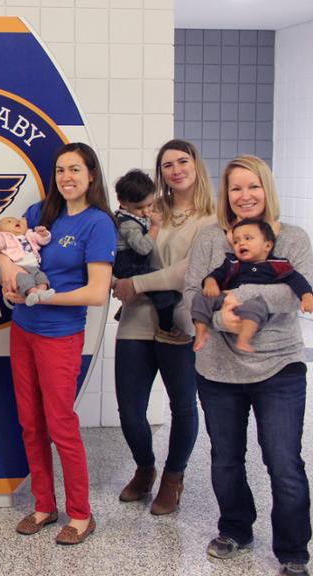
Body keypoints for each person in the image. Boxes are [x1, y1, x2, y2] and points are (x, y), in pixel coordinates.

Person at [184, 154, 312, 576]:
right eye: (235, 188)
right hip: (217, 369)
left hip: (279, 368)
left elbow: (295, 294)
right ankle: (235, 529)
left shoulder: (292, 238)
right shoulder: (210, 238)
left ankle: (293, 551)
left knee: (284, 462)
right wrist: (223, 320)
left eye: (253, 186)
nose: (245, 196)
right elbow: (191, 296)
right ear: (226, 194)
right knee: (225, 459)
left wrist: (236, 298)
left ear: (266, 189)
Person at [0, 142, 115, 545]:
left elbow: (97, 293)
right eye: (61, 170)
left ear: (91, 175)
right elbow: (4, 243)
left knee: (61, 425)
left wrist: (44, 298)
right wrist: (7, 272)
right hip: (23, 330)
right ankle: (44, 506)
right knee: (30, 423)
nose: (67, 177)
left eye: (75, 169)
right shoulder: (40, 212)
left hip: (60, 335)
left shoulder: (98, 224)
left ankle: (81, 514)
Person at [112, 139, 216, 515]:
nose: (175, 170)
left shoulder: (213, 219)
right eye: (167, 165)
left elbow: (189, 271)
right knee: (130, 410)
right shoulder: (148, 209)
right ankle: (145, 468)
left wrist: (135, 284)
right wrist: (115, 278)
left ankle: (173, 477)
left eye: (182, 161)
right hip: (137, 319)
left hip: (180, 323)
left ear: (195, 165)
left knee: (183, 405)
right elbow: (119, 254)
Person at [192, 218, 313, 352]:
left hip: (255, 303)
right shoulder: (231, 262)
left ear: (267, 246)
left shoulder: (278, 265)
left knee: (254, 306)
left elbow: (297, 279)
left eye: (248, 238)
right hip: (226, 300)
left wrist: (307, 296)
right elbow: (217, 274)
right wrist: (210, 282)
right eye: (236, 241)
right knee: (201, 296)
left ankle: (243, 340)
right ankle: (201, 330)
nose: (241, 243)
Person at [112, 169, 186, 343]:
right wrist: (155, 227)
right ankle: (166, 329)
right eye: (140, 208)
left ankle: (125, 307)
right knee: (166, 295)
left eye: (150, 205)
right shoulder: (127, 224)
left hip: (135, 265)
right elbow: (143, 248)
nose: (146, 211)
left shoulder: (134, 216)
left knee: (173, 292)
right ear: (123, 202)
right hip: (128, 266)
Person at [0, 212, 54, 306]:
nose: (15, 221)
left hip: (34, 266)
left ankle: (42, 292)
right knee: (25, 281)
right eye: (9, 222)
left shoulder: (29, 235)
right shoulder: (5, 238)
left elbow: (43, 240)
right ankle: (32, 293)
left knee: (42, 277)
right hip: (19, 268)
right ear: (1, 231)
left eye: (17, 220)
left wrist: (44, 234)